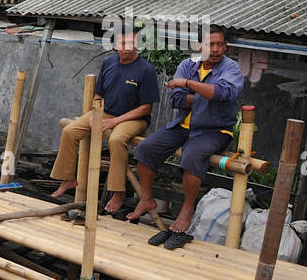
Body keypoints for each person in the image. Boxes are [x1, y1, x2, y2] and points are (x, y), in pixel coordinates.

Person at [127, 25, 245, 249]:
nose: (217, 49)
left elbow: (224, 94)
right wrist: (204, 93)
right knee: (146, 148)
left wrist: (189, 85)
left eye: (221, 44)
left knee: (191, 154)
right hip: (182, 125)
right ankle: (146, 198)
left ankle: (186, 209)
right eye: (211, 44)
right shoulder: (187, 65)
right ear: (200, 46)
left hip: (214, 129)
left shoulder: (231, 68)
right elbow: (176, 99)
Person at [49, 31, 159, 214]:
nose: (129, 48)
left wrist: (114, 121)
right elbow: (99, 94)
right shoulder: (109, 63)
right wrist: (95, 112)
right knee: (70, 131)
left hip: (134, 118)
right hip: (106, 112)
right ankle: (67, 178)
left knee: (116, 140)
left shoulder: (146, 69)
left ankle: (118, 192)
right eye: (124, 43)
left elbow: (146, 108)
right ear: (115, 46)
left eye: (132, 43)